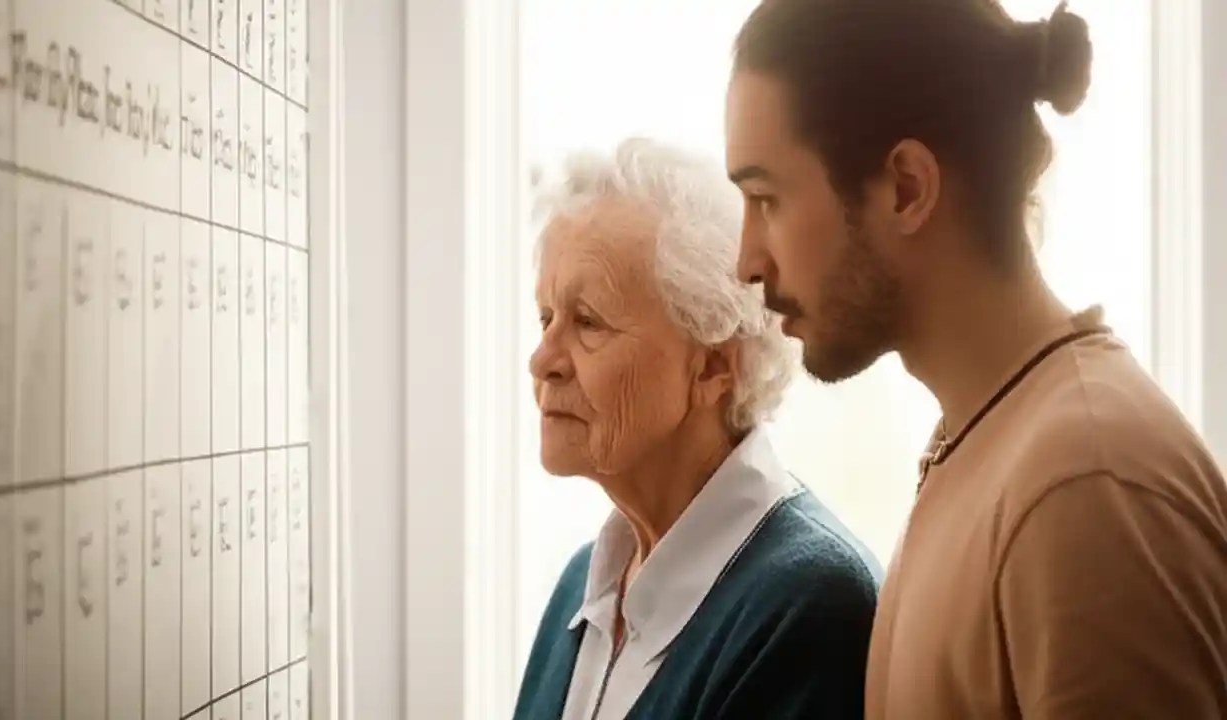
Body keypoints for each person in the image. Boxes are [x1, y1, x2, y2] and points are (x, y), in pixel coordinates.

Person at [725, 0, 1227, 718]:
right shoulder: (985, 444)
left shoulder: (1085, 481)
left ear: (906, 188)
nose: (747, 260)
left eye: (765, 198)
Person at [512, 138, 882, 720]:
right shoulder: (582, 583)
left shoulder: (812, 604)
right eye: (545, 318)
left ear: (712, 364)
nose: (542, 360)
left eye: (587, 321)